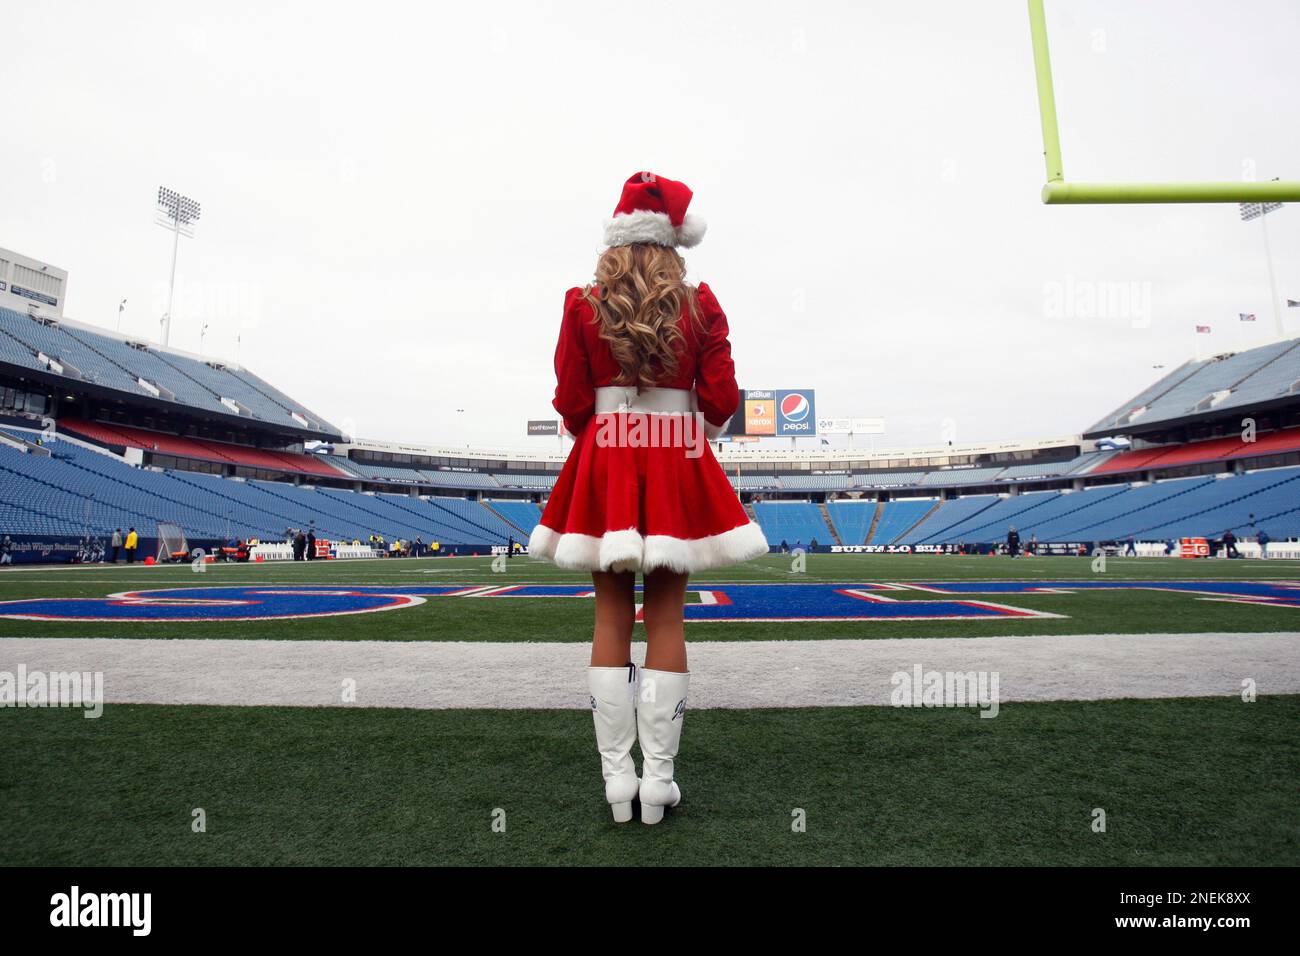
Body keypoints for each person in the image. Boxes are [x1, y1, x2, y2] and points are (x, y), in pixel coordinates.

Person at [527, 172, 767, 825]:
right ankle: (659, 782)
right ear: (672, 244)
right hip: (676, 456)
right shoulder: (700, 304)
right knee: (665, 617)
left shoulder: (581, 302)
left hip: (608, 453)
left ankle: (617, 784)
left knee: (609, 617)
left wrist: (608, 428)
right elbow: (720, 400)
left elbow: (572, 400)